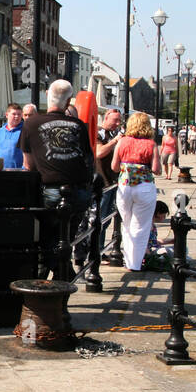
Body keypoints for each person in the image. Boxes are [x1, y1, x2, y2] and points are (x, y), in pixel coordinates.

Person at [21, 80, 94, 280]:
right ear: (69, 100)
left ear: (47, 95)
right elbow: (88, 159)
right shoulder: (78, 125)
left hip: (50, 189)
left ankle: (57, 278)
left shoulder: (31, 124)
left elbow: (28, 165)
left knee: (47, 240)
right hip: (78, 191)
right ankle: (62, 280)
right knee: (65, 240)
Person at [74, 107, 122, 283]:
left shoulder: (111, 133)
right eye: (115, 120)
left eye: (119, 121)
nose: (117, 123)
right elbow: (99, 152)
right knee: (96, 221)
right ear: (106, 117)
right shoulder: (99, 134)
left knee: (106, 220)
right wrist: (116, 141)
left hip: (111, 182)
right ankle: (93, 256)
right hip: (100, 183)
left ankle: (99, 250)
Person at [110, 111, 162, 272]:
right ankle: (135, 264)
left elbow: (114, 167)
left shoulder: (122, 142)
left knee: (126, 224)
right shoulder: (151, 144)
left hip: (125, 186)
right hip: (144, 187)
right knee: (141, 226)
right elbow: (156, 169)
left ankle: (128, 260)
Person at [0, 103, 25, 169]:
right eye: (14, 114)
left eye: (19, 114)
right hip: (0, 172)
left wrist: (23, 169)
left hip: (18, 173)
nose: (17, 116)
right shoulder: (0, 132)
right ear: (7, 115)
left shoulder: (25, 131)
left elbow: (29, 154)